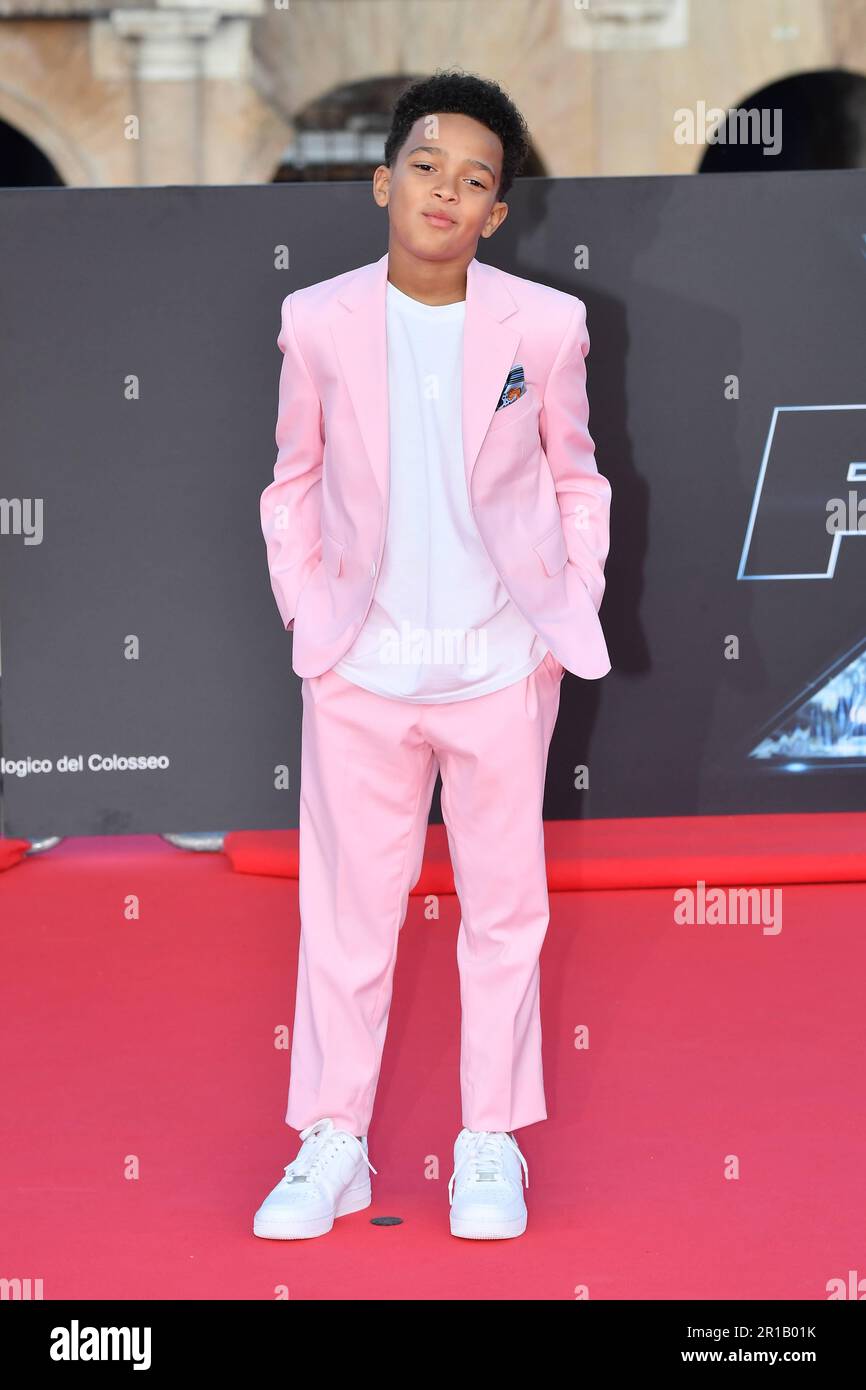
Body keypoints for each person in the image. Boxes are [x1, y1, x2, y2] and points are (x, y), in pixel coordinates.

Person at [254, 69, 612, 1242]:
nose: (445, 192)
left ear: (496, 211)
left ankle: (487, 1143)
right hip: (359, 671)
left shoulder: (545, 327)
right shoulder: (315, 320)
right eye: (425, 167)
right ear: (381, 180)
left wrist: (567, 604)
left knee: (505, 913)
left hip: (501, 668)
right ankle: (333, 1142)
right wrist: (311, 621)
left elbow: (576, 477)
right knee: (346, 916)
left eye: (473, 180)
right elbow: (291, 480)